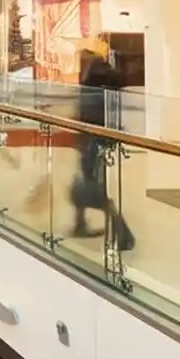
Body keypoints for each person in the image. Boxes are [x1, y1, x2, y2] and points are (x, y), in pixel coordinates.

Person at [71, 49, 136, 251]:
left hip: (93, 139)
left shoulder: (94, 77)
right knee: (85, 183)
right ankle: (80, 224)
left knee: (92, 188)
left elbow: (88, 110)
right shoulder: (97, 79)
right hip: (94, 138)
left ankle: (122, 232)